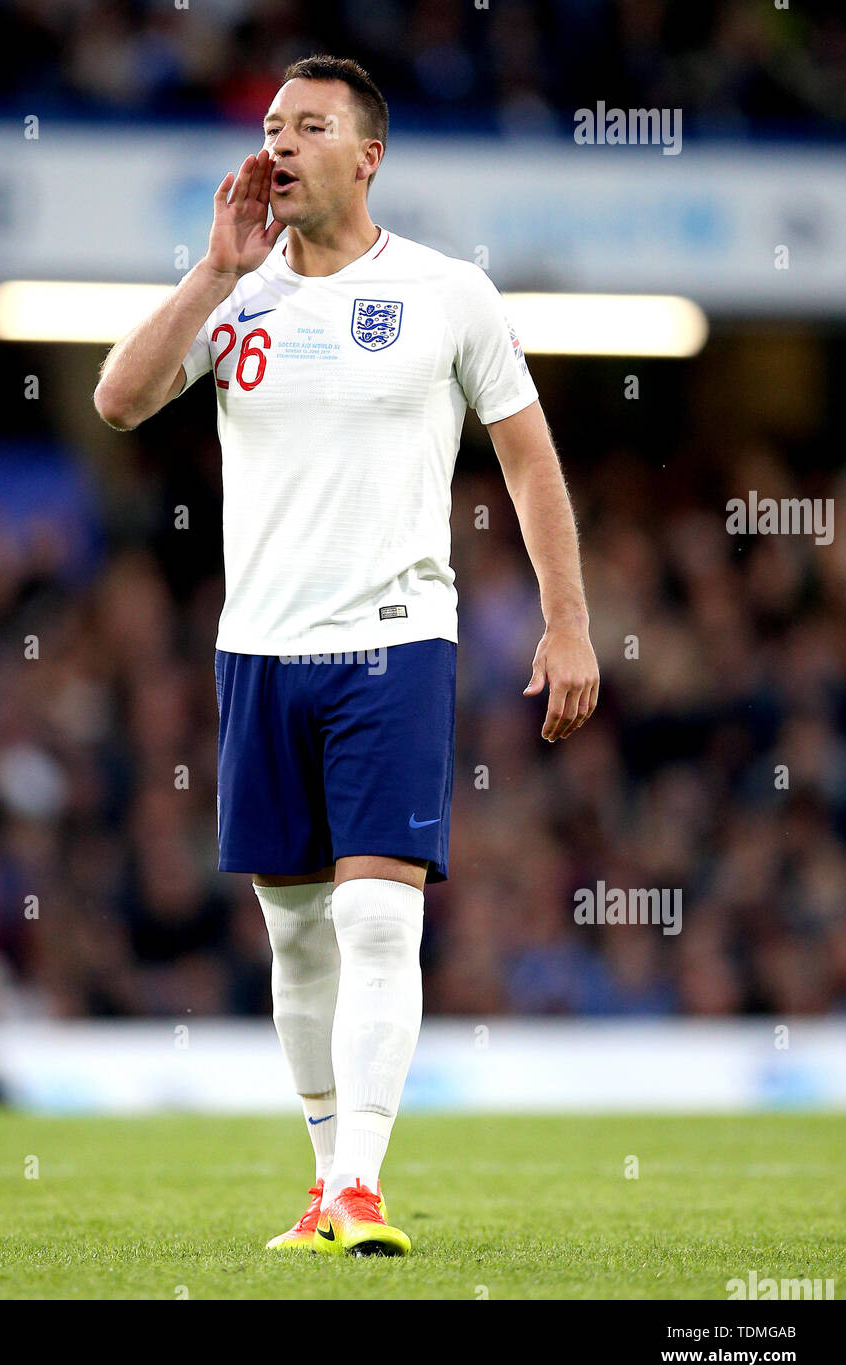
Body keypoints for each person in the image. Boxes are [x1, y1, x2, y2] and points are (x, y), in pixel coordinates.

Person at [94, 54, 599, 1257]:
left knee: (378, 921)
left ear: (367, 154)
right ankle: (324, 1184)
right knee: (294, 928)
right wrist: (214, 269)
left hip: (395, 645)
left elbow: (528, 459)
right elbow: (117, 400)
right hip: (261, 649)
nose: (282, 144)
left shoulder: (447, 293)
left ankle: (362, 1187)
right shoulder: (237, 295)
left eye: (309, 126)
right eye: (271, 125)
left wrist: (568, 616)